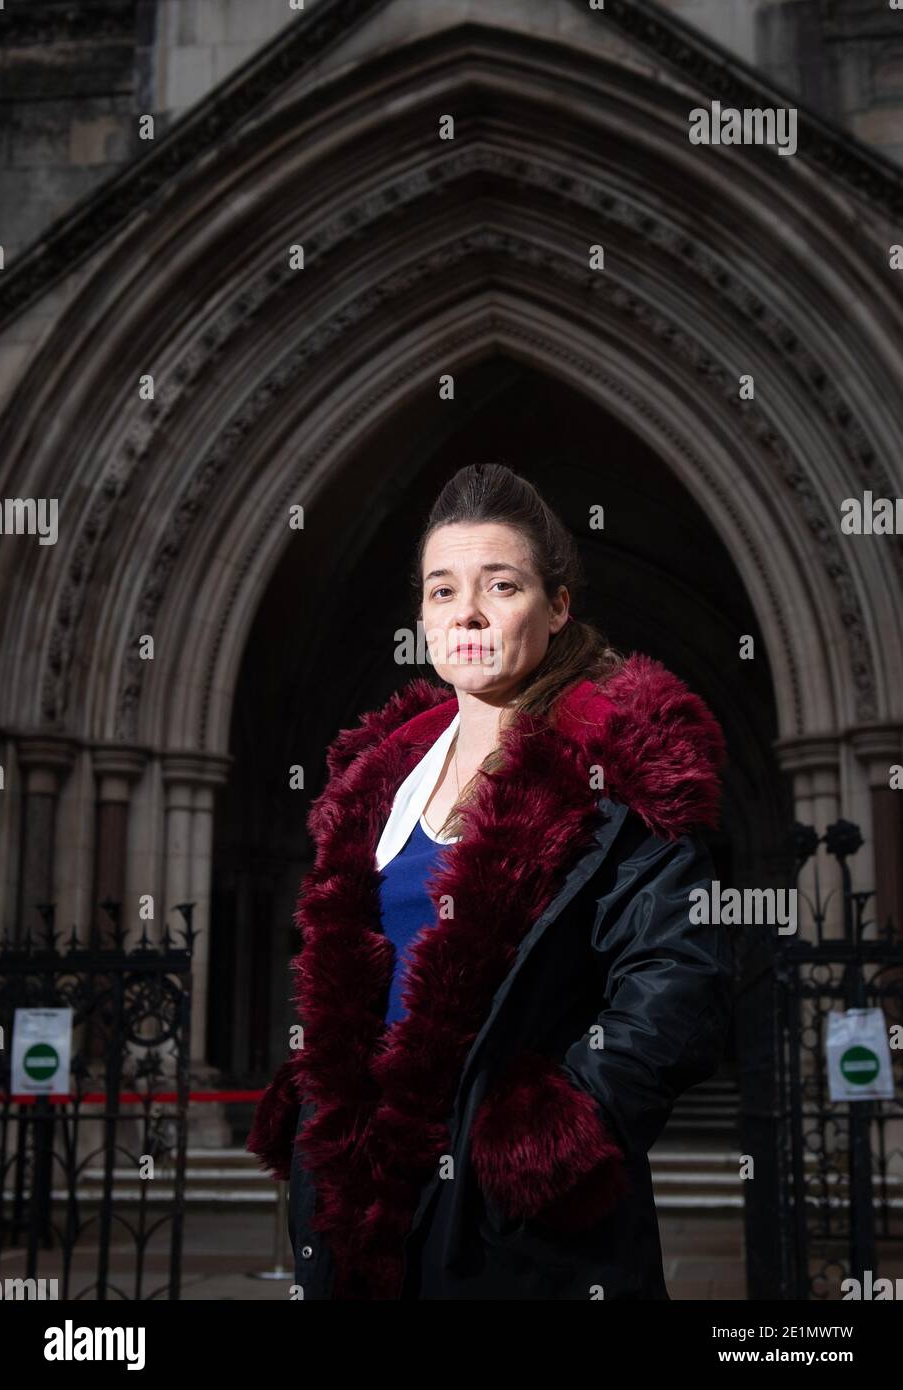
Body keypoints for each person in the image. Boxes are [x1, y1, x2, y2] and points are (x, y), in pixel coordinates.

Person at [247, 461, 734, 1300]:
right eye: (442, 590)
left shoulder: (621, 764)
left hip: (521, 1229)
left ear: (556, 606)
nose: (465, 612)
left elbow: (677, 981)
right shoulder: (379, 780)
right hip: (363, 1203)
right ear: (422, 616)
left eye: (499, 585)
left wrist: (553, 1139)